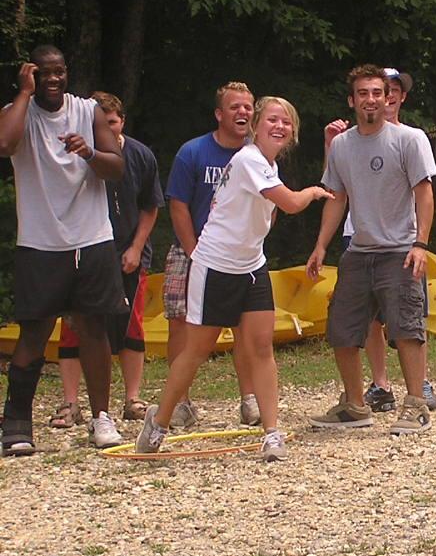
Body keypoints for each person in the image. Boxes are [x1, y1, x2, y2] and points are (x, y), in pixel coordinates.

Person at [135, 97, 331, 461]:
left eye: (286, 122)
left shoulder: (267, 166)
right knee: (196, 349)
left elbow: (266, 217)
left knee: (261, 348)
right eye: (273, 119)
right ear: (256, 125)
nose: (280, 126)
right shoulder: (249, 159)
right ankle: (159, 419)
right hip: (216, 266)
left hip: (251, 266)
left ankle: (271, 433)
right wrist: (312, 192)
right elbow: (290, 203)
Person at [0, 46, 126, 454]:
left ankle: (101, 417)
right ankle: (17, 422)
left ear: (67, 73)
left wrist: (89, 152)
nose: (53, 80)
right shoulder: (19, 113)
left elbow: (117, 166)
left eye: (59, 72)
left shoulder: (87, 111)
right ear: (32, 75)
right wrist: (23, 93)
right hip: (41, 240)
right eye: (44, 74)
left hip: (90, 237)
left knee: (92, 327)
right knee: (35, 331)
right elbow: (5, 143)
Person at [306, 64, 436, 434]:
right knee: (343, 328)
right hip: (358, 252)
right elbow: (337, 197)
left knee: (406, 328)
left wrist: (421, 243)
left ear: (388, 98)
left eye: (377, 93)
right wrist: (320, 246)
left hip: (400, 249)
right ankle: (354, 406)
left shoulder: (408, 139)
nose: (371, 100)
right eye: (363, 93)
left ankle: (415, 406)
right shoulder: (342, 146)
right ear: (352, 100)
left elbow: (424, 193)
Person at [51, 92, 163, 428]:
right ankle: (71, 403)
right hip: (80, 250)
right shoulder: (70, 153)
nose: (109, 129)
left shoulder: (140, 155)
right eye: (102, 123)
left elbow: (150, 205)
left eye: (113, 122)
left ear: (121, 122)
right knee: (73, 327)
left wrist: (136, 247)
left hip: (127, 251)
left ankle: (132, 399)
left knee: (132, 327)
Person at [164, 81, 263, 428]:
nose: (243, 113)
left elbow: (271, 204)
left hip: (240, 256)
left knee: (245, 327)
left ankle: (249, 399)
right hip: (191, 249)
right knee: (181, 324)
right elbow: (178, 205)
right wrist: (194, 251)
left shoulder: (258, 155)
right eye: (235, 107)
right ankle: (180, 402)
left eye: (248, 107)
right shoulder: (192, 152)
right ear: (219, 114)